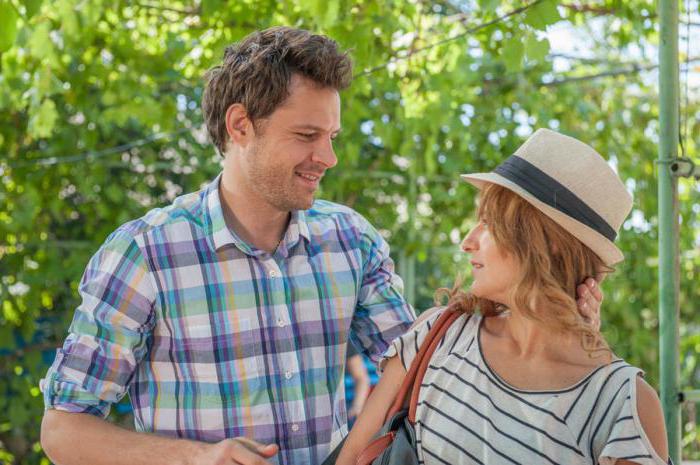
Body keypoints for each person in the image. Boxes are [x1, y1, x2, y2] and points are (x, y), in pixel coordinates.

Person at [38, 27, 604, 465]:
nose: (327, 158)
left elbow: (424, 370)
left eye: (330, 137)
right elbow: (62, 430)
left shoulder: (350, 241)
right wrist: (194, 456)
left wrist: (560, 327)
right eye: (306, 136)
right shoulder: (144, 255)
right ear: (240, 126)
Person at [336, 129, 670, 465]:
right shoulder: (437, 335)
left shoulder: (621, 405)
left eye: (488, 222)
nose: (468, 241)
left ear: (547, 240)